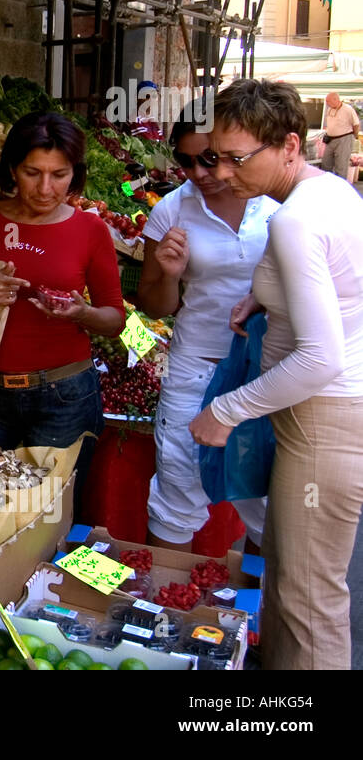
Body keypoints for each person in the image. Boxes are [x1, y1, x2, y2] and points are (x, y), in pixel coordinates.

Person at [189, 79, 363, 671]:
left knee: (307, 601)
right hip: (329, 414)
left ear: (290, 145)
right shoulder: (328, 192)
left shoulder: (294, 221)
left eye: (238, 159)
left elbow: (321, 359)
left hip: (323, 418)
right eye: (216, 154)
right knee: (292, 579)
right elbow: (339, 281)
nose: (223, 171)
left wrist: (226, 410)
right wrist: (265, 297)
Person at [0, 112, 125, 517]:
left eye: (60, 174)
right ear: (12, 170)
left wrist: (80, 312)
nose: (46, 188)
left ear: (76, 173)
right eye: (33, 172)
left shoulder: (91, 230)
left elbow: (114, 318)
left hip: (64, 397)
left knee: (48, 515)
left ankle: (43, 584)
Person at [137, 97, 277, 554]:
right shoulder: (172, 211)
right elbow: (155, 305)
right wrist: (170, 273)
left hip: (269, 368)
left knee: (269, 495)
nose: (198, 173)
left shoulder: (274, 201)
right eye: (185, 160)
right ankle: (159, 610)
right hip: (197, 364)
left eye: (210, 159)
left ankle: (255, 611)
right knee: (178, 486)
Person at [319, 91, 359, 181]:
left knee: (341, 165)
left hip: (344, 138)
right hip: (331, 139)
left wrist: (354, 136)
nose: (327, 103)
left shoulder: (348, 109)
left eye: (328, 101)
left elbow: (356, 124)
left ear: (335, 99)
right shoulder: (330, 109)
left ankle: (340, 186)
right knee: (326, 163)